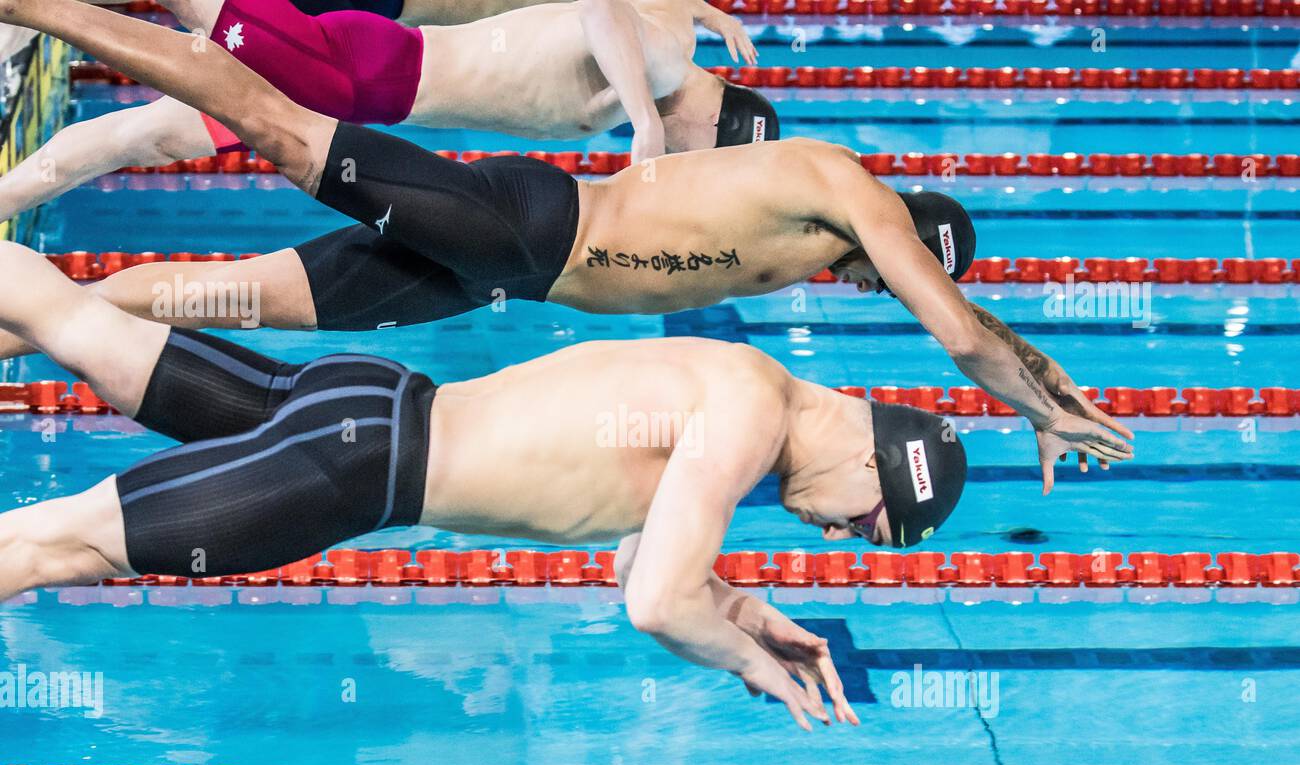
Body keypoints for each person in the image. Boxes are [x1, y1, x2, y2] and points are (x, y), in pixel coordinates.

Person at [0, 0, 1134, 487]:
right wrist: (1033, 400)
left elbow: (969, 325)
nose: (889, 291)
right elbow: (955, 327)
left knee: (232, 301)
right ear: (910, 241)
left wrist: (1042, 379)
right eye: (909, 275)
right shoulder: (839, 186)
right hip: (518, 226)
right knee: (268, 119)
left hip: (496, 268)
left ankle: (15, 333)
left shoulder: (819, 232)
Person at [0, 238, 975, 729]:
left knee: (73, 319)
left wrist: (739, 609)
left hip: (364, 401)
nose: (843, 539)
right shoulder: (754, 419)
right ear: (872, 461)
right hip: (359, 464)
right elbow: (651, 603)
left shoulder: (740, 387)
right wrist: (747, 662)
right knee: (47, 544)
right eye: (869, 525)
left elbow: (645, 549)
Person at [0, 0, 774, 219]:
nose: (676, 157)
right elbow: (606, 11)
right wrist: (641, 121)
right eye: (693, 153)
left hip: (357, 87)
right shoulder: (665, 67)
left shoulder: (665, 48)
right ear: (716, 125)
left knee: (134, 140)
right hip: (357, 73)